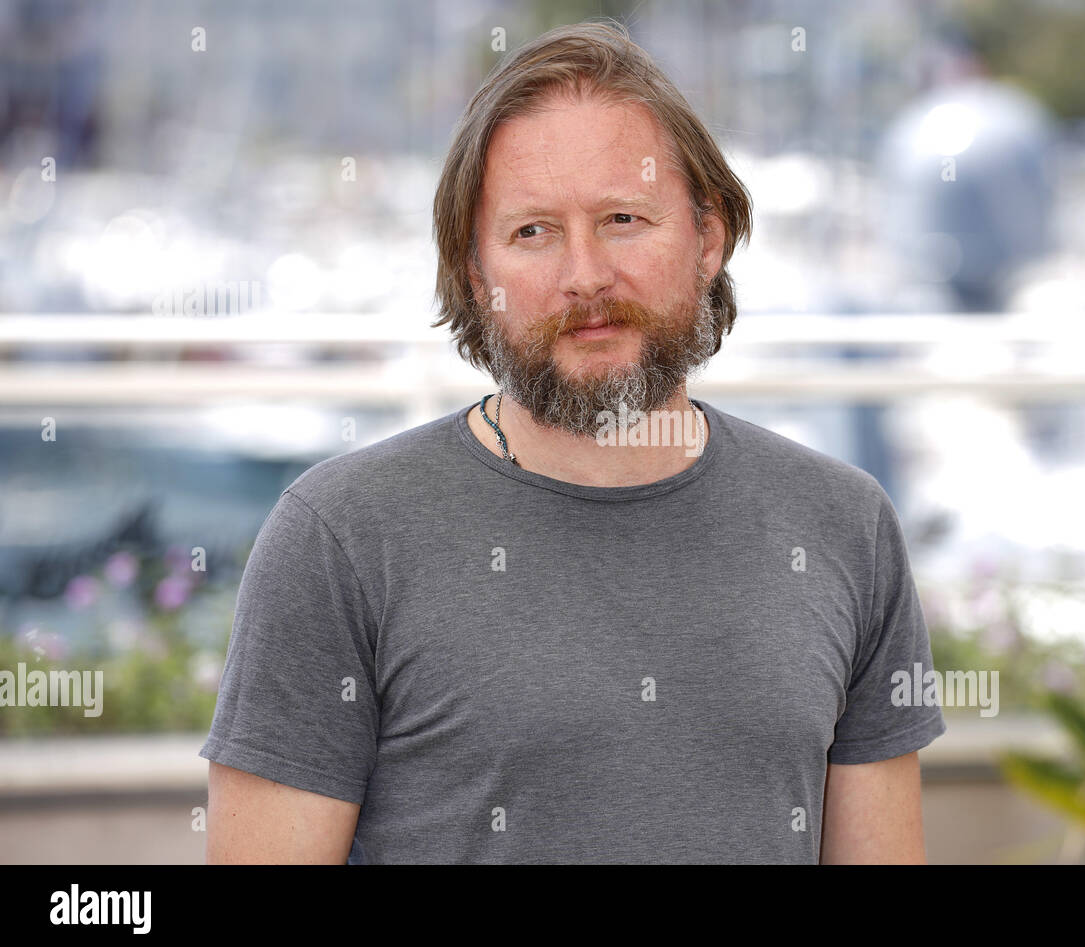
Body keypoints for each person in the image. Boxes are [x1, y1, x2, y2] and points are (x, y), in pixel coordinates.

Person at [201, 19, 945, 864]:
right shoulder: (339, 537)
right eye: (532, 232)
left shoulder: (845, 524)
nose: (585, 275)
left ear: (709, 239)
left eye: (624, 219)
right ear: (476, 277)